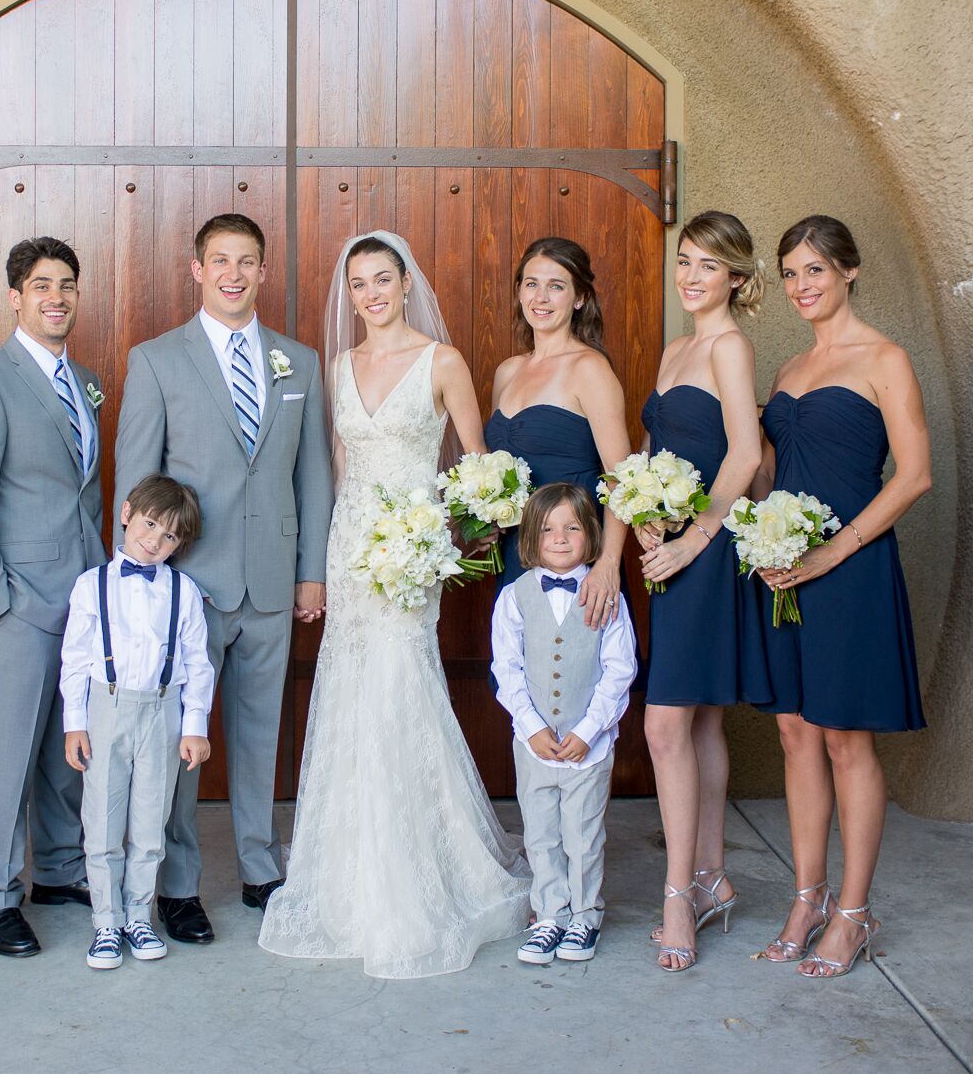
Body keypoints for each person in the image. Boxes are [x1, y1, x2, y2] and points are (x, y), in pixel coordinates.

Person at [257, 231, 529, 979]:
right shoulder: (338, 367)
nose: (372, 293)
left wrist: (449, 542)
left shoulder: (443, 362)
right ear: (349, 294)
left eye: (383, 279)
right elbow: (336, 470)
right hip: (351, 551)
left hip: (411, 555)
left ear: (407, 282)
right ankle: (345, 872)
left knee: (401, 691)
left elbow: (479, 472)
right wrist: (318, 564)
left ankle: (419, 872)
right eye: (359, 284)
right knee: (348, 694)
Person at [111, 213, 332, 946]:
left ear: (263, 272)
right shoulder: (156, 359)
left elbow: (313, 477)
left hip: (271, 581)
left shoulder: (297, 361)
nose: (233, 273)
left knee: (261, 732)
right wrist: (142, 586)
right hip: (187, 589)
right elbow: (138, 483)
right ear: (197, 269)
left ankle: (261, 868)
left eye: (247, 261)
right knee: (182, 738)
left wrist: (311, 574)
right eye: (219, 260)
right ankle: (177, 885)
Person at [752, 215, 931, 979]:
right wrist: (755, 538)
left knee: (843, 738)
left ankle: (854, 911)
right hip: (784, 570)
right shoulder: (787, 367)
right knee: (795, 733)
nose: (802, 286)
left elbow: (916, 474)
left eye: (815, 270)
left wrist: (836, 547)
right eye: (790, 273)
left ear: (850, 271)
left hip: (849, 569)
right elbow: (767, 471)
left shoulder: (885, 357)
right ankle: (807, 896)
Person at [0, 236, 106, 958]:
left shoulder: (84, 380)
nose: (56, 296)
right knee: (5, 757)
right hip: (17, 600)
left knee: (65, 748)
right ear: (15, 297)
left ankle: (61, 869)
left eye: (67, 284)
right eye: (42, 285)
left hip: (81, 597)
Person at [635, 211, 772, 972]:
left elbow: (746, 452)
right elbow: (667, 454)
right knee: (699, 723)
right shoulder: (676, 346)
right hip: (673, 551)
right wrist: (653, 518)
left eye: (708, 265)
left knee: (664, 726)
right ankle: (715, 874)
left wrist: (694, 537)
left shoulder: (729, 345)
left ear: (737, 280)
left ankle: (678, 897)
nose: (690, 275)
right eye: (684, 260)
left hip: (706, 554)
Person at [60, 475, 216, 970]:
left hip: (163, 712)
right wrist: (75, 723)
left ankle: (138, 916)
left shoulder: (183, 591)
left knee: (151, 822)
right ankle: (105, 922)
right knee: (102, 820)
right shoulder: (91, 586)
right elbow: (75, 659)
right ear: (127, 513)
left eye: (169, 537)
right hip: (106, 709)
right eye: (150, 525)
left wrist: (195, 725)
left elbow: (198, 662)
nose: (154, 542)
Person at [489, 483, 637, 967]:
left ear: (591, 535)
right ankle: (549, 913)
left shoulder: (604, 592)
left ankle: (585, 916)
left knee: (583, 833)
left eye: (573, 527)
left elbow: (620, 669)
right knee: (541, 833)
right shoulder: (515, 597)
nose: (560, 537)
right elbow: (506, 668)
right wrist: (530, 727)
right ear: (531, 538)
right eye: (548, 529)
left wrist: (588, 731)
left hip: (586, 746)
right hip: (532, 745)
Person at [484, 238, 633, 632]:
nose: (541, 297)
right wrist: (485, 522)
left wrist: (607, 564)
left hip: (577, 554)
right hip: (518, 551)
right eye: (531, 284)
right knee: (521, 676)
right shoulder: (507, 372)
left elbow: (621, 479)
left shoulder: (590, 369)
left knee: (575, 676)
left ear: (580, 297)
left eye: (557, 285)